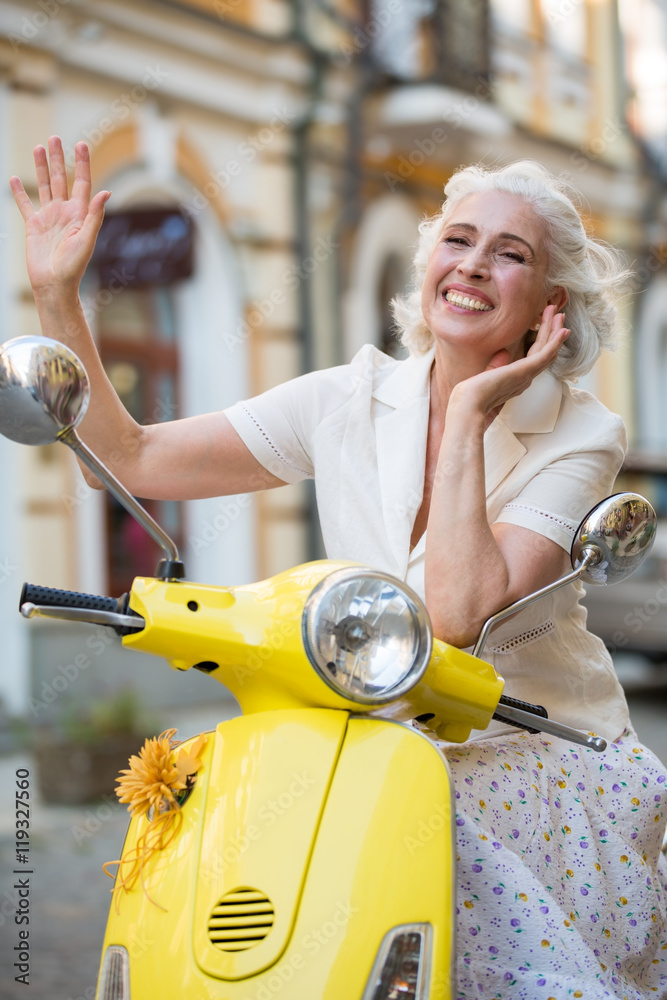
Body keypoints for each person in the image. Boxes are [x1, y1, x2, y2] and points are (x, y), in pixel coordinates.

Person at [11, 137, 667, 998]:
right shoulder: (348, 397)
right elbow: (136, 458)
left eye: (510, 254)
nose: (471, 265)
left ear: (550, 304)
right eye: (458, 239)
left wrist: (467, 414)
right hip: (366, 741)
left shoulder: (581, 433)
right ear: (429, 260)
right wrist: (59, 297)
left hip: (524, 757)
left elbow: (458, 613)